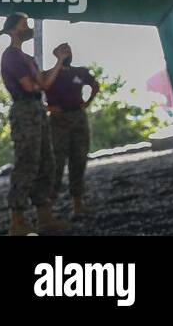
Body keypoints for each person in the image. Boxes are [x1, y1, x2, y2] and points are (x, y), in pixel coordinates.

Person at [0, 13, 68, 235]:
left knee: (47, 161)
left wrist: (59, 61)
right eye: (24, 25)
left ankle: (44, 217)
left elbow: (43, 83)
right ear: (12, 31)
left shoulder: (27, 58)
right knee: (27, 162)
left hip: (36, 109)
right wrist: (39, 83)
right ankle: (16, 222)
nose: (28, 28)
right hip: (24, 110)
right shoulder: (11, 56)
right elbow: (30, 86)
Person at [45, 41, 100, 217]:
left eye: (68, 50)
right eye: (62, 51)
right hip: (58, 120)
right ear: (55, 53)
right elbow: (38, 88)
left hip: (78, 117)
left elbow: (95, 85)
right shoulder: (49, 74)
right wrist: (47, 108)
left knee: (79, 159)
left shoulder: (80, 72)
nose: (66, 53)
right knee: (56, 163)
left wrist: (87, 103)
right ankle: (47, 209)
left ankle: (78, 204)